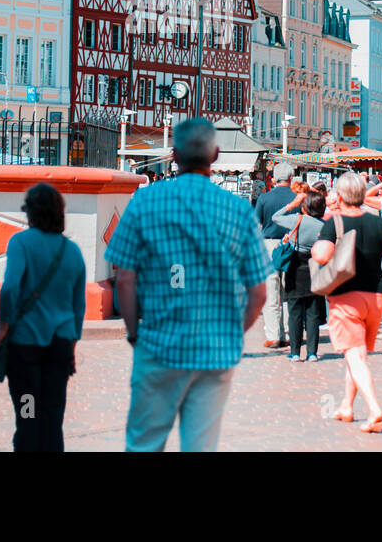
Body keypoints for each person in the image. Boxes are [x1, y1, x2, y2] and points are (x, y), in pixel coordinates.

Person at [106, 118, 270, 452]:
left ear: (174, 155)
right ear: (216, 155)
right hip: (215, 349)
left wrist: (134, 331)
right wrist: (235, 332)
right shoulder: (238, 210)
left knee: (144, 441)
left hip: (159, 343)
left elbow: (123, 275)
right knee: (200, 444)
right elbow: (258, 292)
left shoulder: (145, 204)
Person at [313, 172, 382, 433]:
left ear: (340, 194)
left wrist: (317, 248)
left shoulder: (334, 222)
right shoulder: (379, 224)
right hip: (376, 296)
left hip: (346, 295)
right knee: (356, 353)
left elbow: (322, 255)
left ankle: (373, 409)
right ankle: (347, 406)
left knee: (356, 355)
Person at [0, 183, 86, 452]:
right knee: (53, 417)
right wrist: (72, 345)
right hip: (60, 346)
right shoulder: (73, 251)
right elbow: (79, 305)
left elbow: (10, 288)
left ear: (30, 213)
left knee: (28, 413)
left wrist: (3, 326)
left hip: (26, 347)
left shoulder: (21, 243)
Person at [272, 189, 328, 362]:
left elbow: (275, 217)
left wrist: (292, 204)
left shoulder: (298, 219)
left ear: (306, 206)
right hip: (314, 268)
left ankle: (295, 352)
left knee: (295, 312)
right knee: (312, 314)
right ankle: (312, 352)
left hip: (295, 268)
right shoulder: (324, 225)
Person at [254, 162, 296, 349]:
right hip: (291, 245)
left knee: (271, 292)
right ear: (291, 177)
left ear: (273, 178)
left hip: (269, 245)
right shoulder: (298, 198)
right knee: (288, 292)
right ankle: (288, 332)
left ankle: (273, 336)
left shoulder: (264, 198)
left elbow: (256, 224)